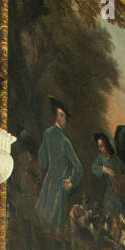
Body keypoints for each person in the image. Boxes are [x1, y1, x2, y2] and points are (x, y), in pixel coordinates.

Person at [35, 97, 83, 237]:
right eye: (62, 115)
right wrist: (72, 181)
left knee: (43, 217)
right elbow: (78, 167)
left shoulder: (47, 134)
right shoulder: (64, 141)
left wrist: (43, 172)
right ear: (56, 115)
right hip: (57, 187)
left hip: (49, 182)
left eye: (65, 117)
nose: (64, 119)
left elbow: (42, 158)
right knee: (53, 225)